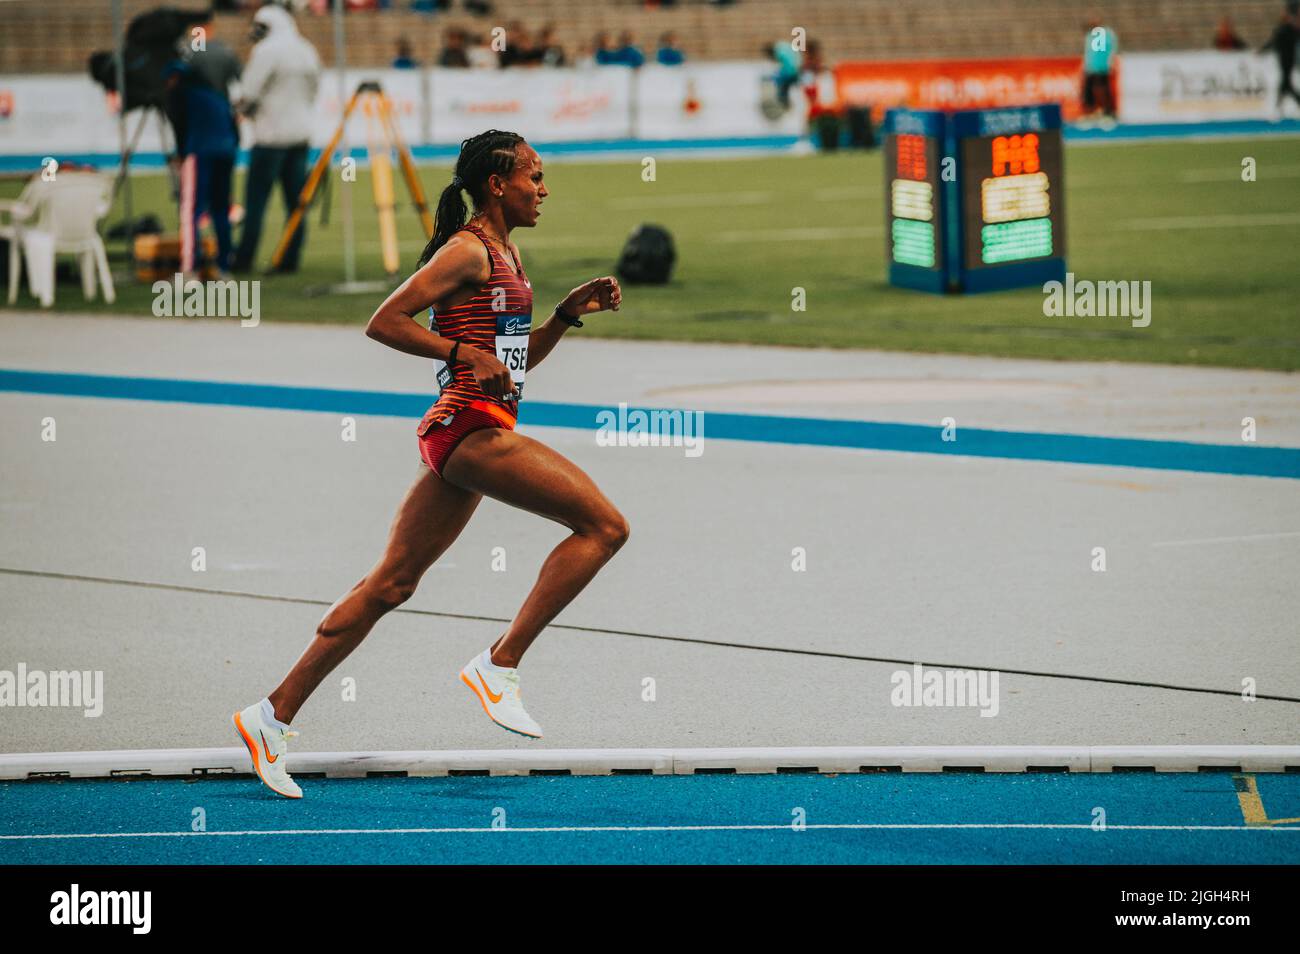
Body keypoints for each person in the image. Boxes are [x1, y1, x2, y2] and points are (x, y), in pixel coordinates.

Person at [233, 130, 628, 799]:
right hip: (468, 429)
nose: (544, 188)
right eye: (534, 176)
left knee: (391, 584)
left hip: (476, 429)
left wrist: (563, 316)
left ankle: (269, 715)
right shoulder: (468, 250)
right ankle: (498, 664)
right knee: (604, 528)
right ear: (497, 184)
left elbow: (512, 363)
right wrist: (459, 354)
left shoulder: (505, 253)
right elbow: (385, 320)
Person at [231, 4, 322, 274]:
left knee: (256, 202)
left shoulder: (266, 51)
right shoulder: (306, 49)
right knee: (295, 203)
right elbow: (315, 89)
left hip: (270, 137)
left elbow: (249, 94)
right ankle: (290, 258)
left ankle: (244, 258)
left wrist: (243, 111)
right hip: (300, 135)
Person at [163, 13, 241, 274]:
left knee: (192, 211)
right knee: (221, 209)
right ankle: (224, 268)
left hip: (202, 150)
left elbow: (179, 123)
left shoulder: (182, 90)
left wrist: (182, 153)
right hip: (226, 149)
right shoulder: (216, 94)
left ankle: (190, 270)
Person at [1261, 3, 1300, 119]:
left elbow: (1272, 43)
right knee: (1286, 85)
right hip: (1286, 61)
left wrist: (1262, 51)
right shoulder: (1287, 29)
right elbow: (1273, 43)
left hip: (1287, 61)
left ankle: (1277, 109)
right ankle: (1277, 108)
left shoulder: (1287, 29)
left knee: (1285, 84)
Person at [1080, 18, 1118, 129]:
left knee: (1103, 91)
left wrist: (1110, 62)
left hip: (1101, 67)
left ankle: (1108, 113)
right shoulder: (1089, 36)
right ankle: (1091, 114)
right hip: (1091, 68)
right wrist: (1086, 65)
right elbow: (1088, 52)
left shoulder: (1106, 34)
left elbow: (1111, 48)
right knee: (1088, 92)